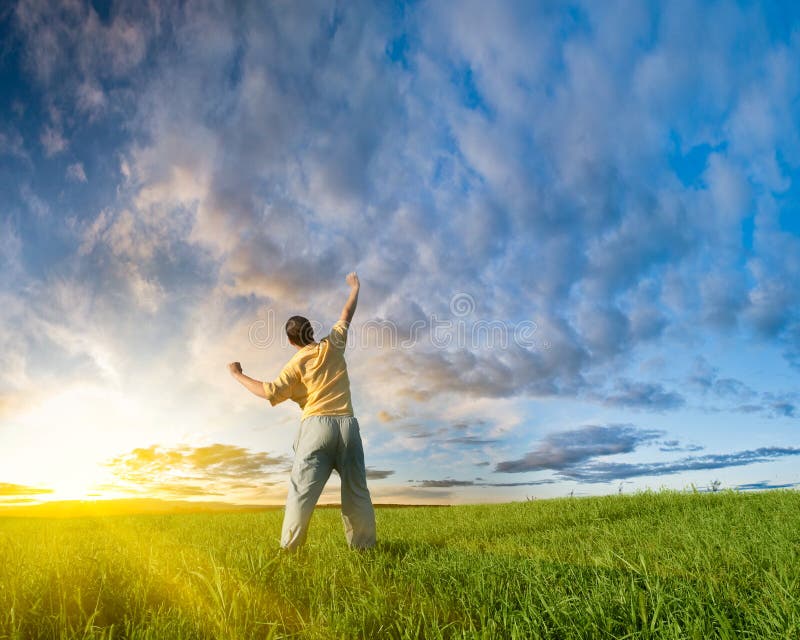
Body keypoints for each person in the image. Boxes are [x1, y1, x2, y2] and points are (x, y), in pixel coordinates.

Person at [227, 272, 376, 551]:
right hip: (347, 425)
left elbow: (269, 391)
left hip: (316, 427)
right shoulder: (333, 345)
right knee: (357, 493)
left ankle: (290, 551)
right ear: (311, 331)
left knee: (300, 496)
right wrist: (355, 287)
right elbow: (347, 312)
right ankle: (366, 552)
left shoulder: (296, 363)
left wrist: (237, 375)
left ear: (291, 341)